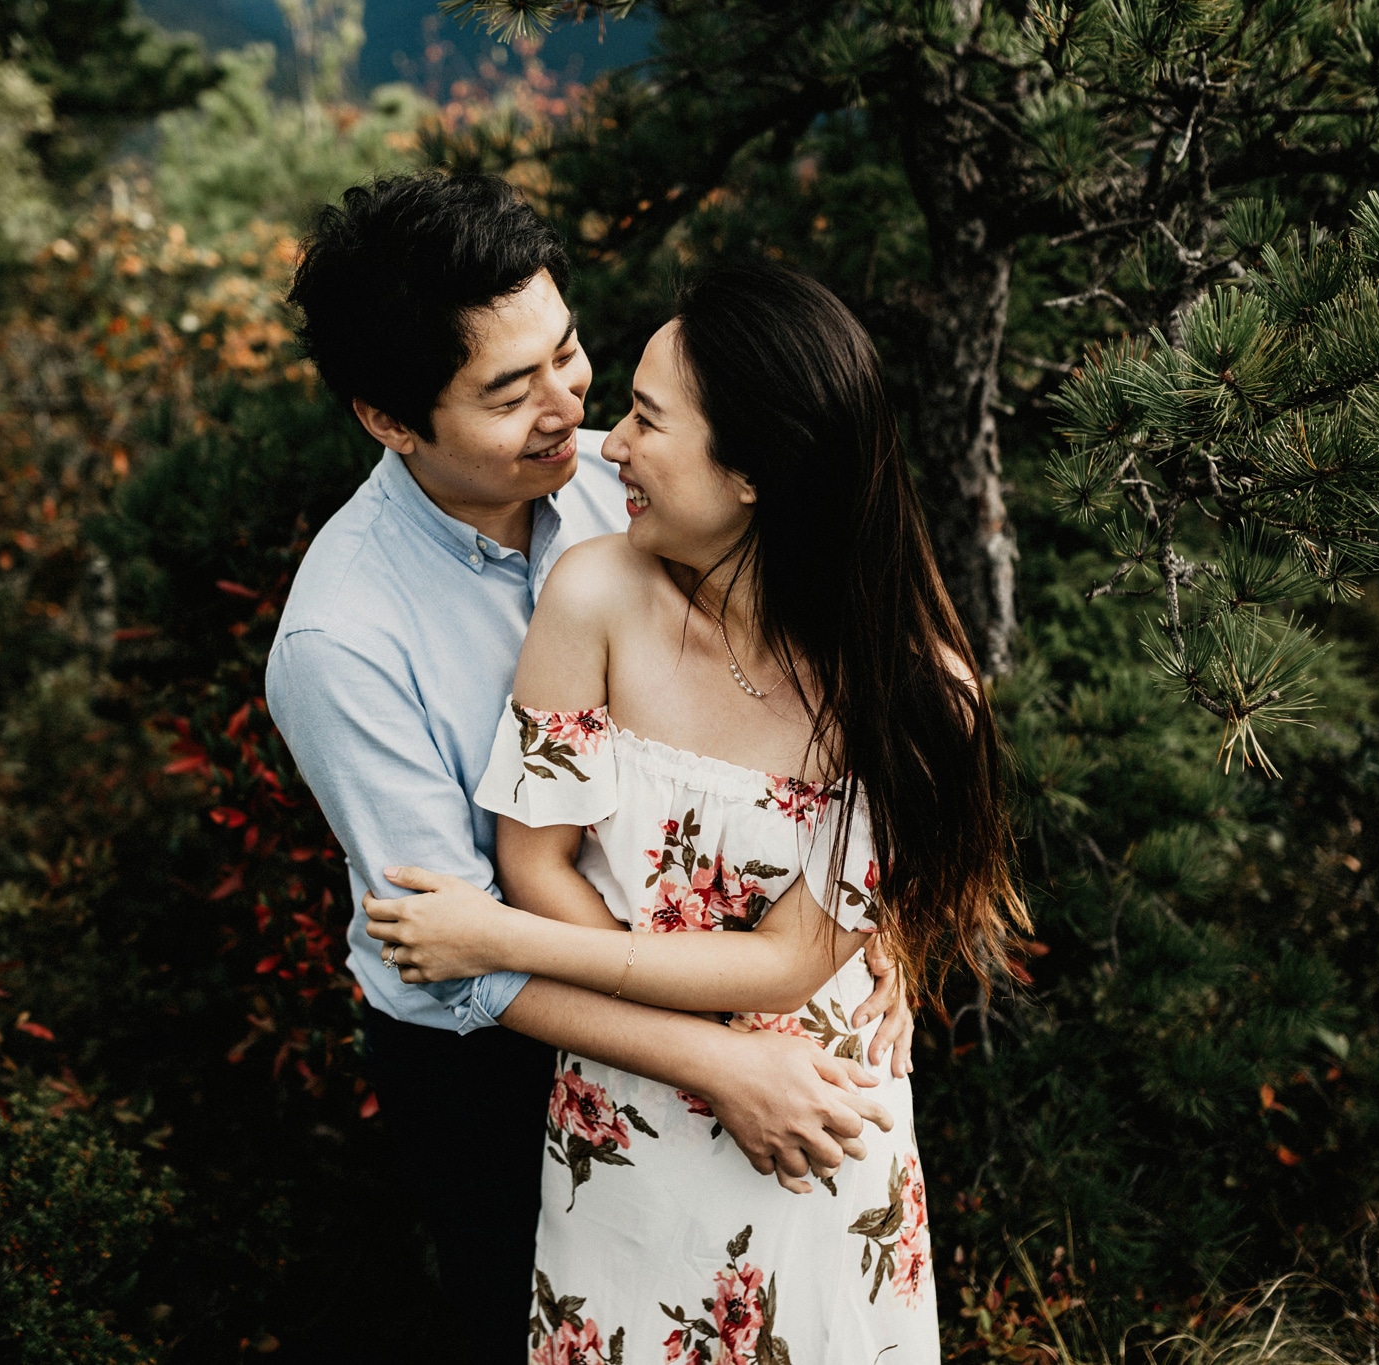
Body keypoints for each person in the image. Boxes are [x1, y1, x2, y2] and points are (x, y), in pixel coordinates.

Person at [265, 174, 912, 1365]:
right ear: (389, 420)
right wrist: (722, 1060)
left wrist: (863, 925)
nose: (570, 406)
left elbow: (818, 707)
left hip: (740, 991)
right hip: (498, 1068)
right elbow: (447, 951)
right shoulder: (340, 640)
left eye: (568, 355)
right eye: (509, 392)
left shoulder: (641, 481)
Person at [365, 261, 1027, 1363]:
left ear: (755, 471)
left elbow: (786, 966)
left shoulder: (911, 697)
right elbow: (536, 862)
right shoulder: (593, 594)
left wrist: (491, 945)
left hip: (814, 1122)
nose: (607, 442)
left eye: (645, 418)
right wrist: (702, 1055)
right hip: (625, 1128)